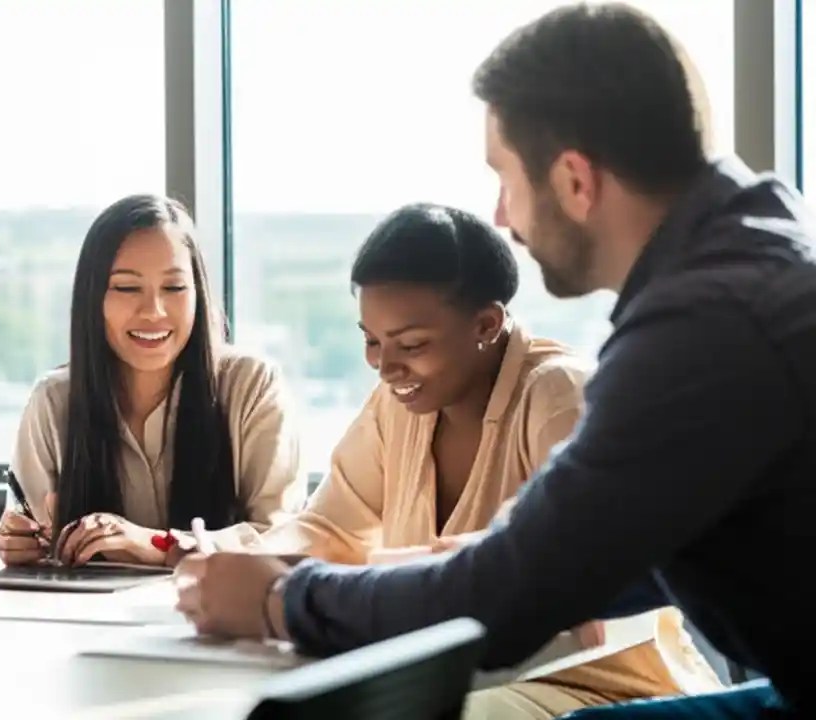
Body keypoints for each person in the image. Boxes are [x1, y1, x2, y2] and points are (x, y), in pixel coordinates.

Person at [173, 5, 813, 717]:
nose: (502, 218)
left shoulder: (704, 327)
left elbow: (504, 603)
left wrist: (278, 600)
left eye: (506, 179)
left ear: (575, 180)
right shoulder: (759, 255)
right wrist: (430, 564)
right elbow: (583, 555)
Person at [246, 203, 716, 718]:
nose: (384, 366)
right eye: (371, 340)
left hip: (602, 688)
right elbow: (329, 528)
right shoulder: (399, 404)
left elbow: (578, 590)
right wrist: (247, 567)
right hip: (470, 677)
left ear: (488, 323)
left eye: (411, 343)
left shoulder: (560, 395)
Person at [0, 193, 305, 567]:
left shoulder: (251, 385)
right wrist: (20, 544)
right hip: (87, 620)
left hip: (219, 615)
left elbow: (281, 537)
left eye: (174, 288)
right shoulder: (54, 400)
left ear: (198, 294)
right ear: (93, 298)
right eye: (127, 288)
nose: (154, 311)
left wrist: (155, 544)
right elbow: (29, 528)